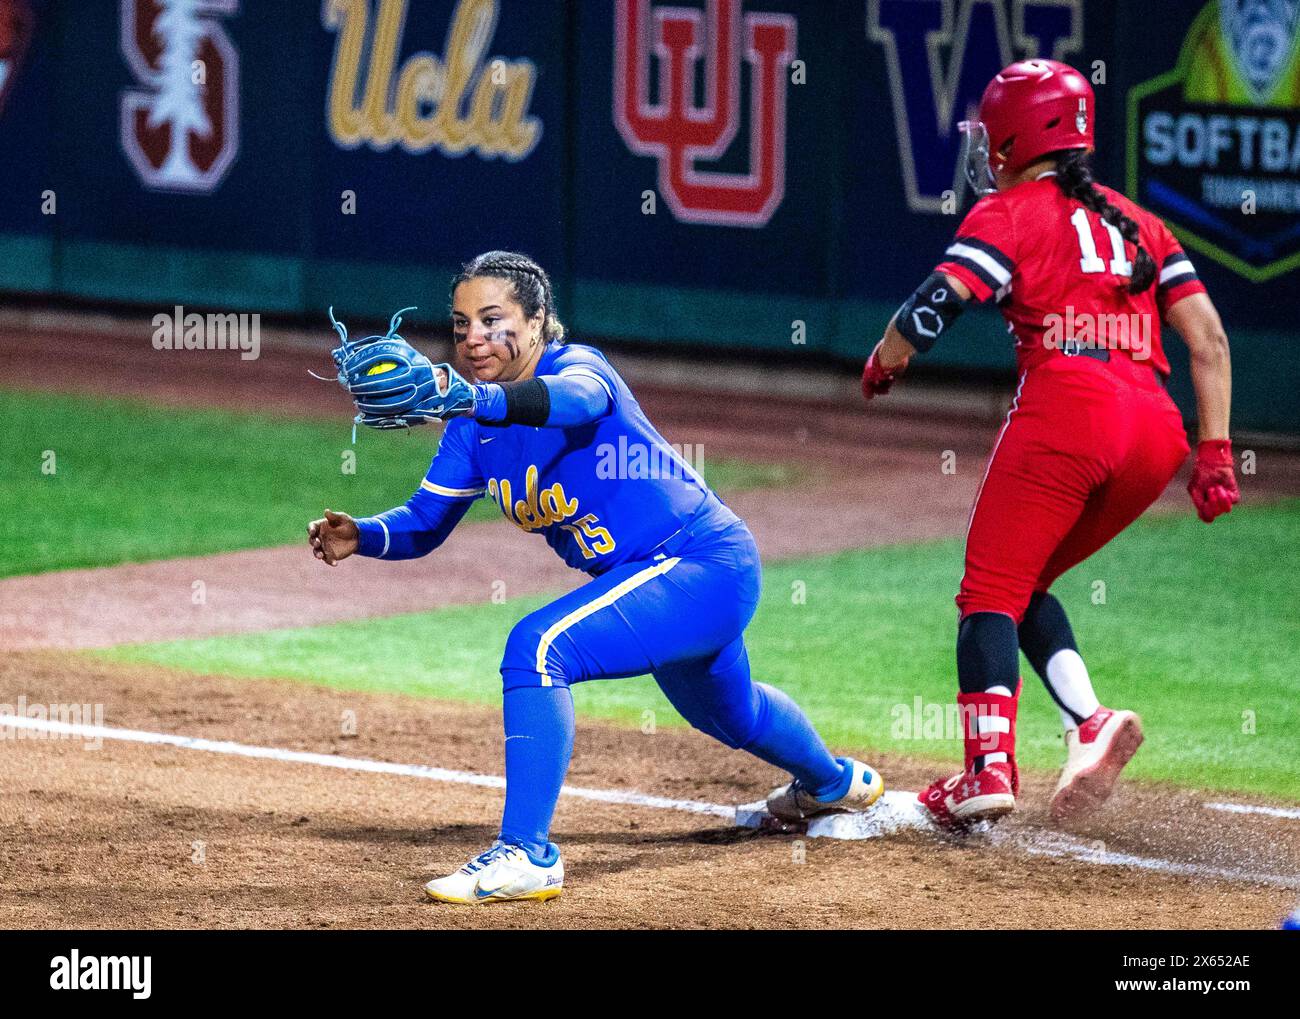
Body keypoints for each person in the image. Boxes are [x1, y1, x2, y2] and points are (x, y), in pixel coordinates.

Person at [308, 250, 883, 903]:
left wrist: (476, 397)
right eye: (462, 321)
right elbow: (425, 520)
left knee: (539, 648)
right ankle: (836, 783)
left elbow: (573, 401)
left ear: (537, 319)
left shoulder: (578, 366)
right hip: (660, 584)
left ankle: (527, 853)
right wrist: (366, 535)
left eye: (492, 319)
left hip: (702, 561)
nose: (472, 336)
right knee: (733, 712)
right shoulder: (473, 428)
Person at [860, 60, 1238, 828]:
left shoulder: (1009, 215)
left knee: (987, 591)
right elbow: (1209, 340)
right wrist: (1218, 449)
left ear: (1012, 139)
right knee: (1022, 582)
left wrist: (886, 357)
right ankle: (1088, 723)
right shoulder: (1140, 223)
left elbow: (936, 305)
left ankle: (985, 769)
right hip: (1155, 433)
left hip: (1069, 410)